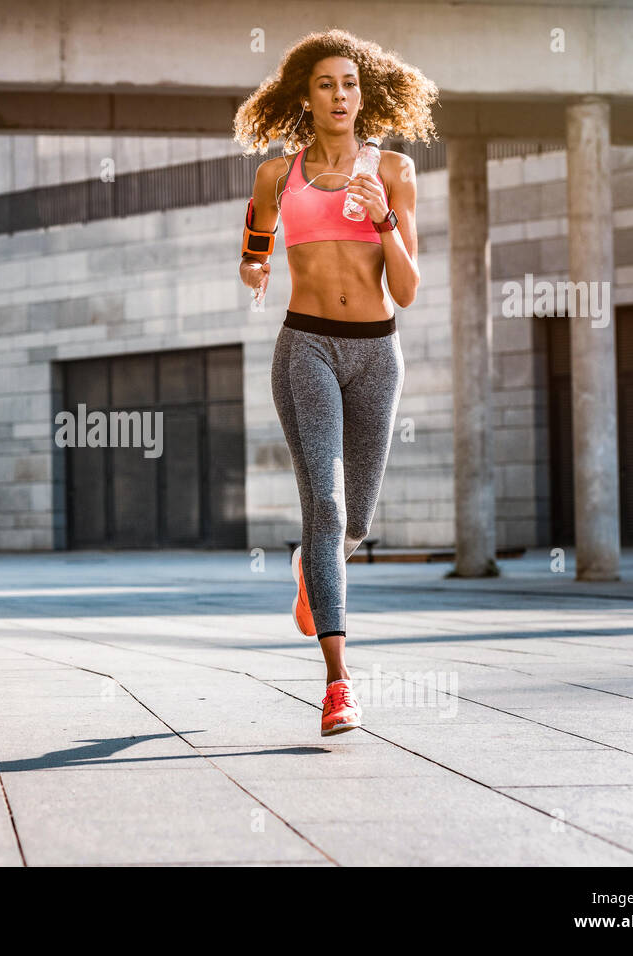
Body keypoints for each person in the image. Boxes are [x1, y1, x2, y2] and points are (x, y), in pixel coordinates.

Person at [233, 29, 438, 735]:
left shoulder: (397, 171)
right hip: (306, 348)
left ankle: (308, 568)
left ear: (364, 94)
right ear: (305, 97)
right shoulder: (276, 176)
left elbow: (408, 291)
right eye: (326, 84)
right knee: (325, 502)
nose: (340, 95)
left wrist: (382, 215)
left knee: (356, 520)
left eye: (350, 83)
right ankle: (339, 683)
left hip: (377, 353)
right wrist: (255, 269)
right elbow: (254, 245)